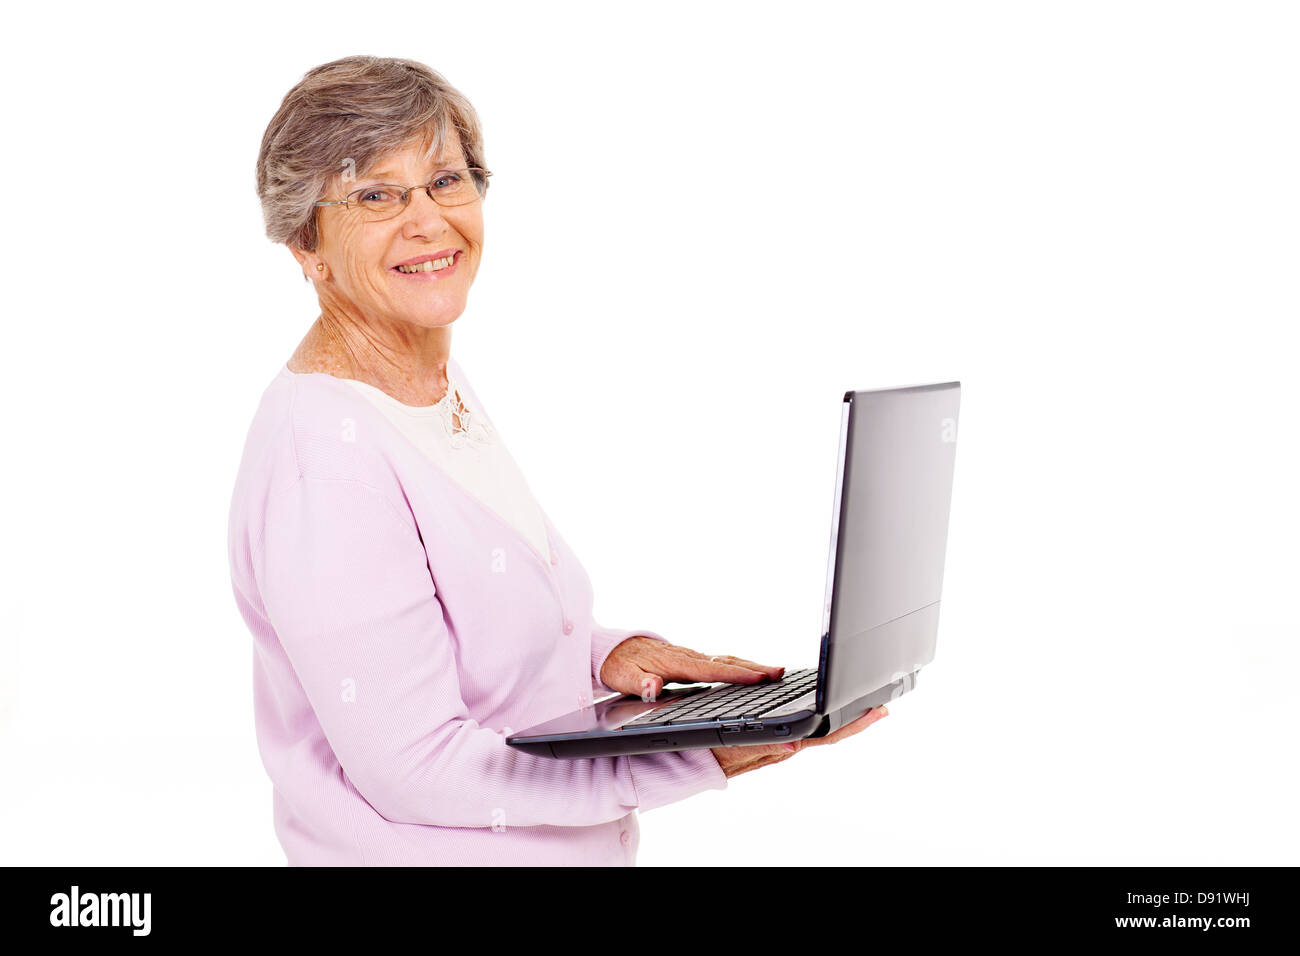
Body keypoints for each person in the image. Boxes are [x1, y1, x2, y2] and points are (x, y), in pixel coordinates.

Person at [228, 54, 887, 866]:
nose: (427, 220)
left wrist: (603, 656)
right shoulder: (323, 460)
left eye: (445, 180)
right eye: (375, 195)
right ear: (305, 241)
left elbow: (463, 633)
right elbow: (415, 767)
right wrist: (695, 757)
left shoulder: (425, 382)